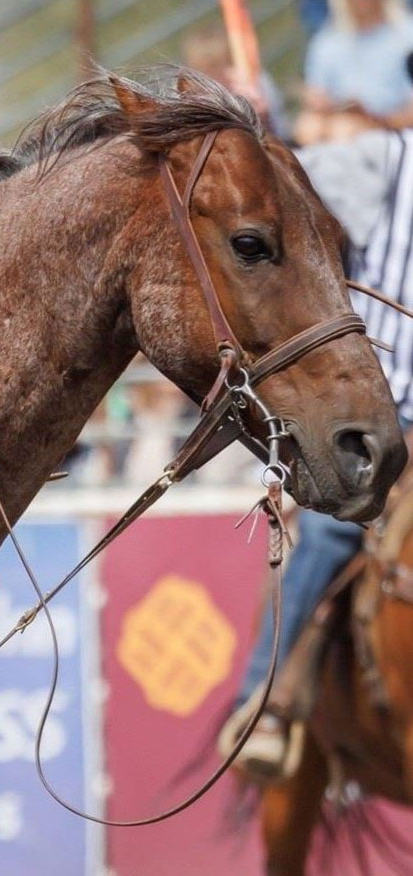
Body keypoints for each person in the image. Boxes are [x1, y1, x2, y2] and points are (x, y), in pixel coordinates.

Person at [219, 125, 413, 778]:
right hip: (381, 418)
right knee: (332, 534)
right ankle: (264, 700)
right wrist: (270, 133)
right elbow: (274, 186)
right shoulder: (387, 157)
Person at [296, 0, 413, 143]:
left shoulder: (407, 35)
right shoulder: (326, 43)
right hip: (340, 120)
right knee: (308, 127)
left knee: (344, 130)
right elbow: (316, 95)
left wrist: (373, 119)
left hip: (392, 133)